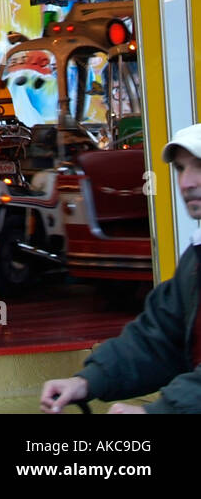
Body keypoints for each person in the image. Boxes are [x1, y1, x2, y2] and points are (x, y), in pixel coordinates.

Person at [40, 125, 201, 414]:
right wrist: (88, 381)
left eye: (199, 166)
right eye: (180, 169)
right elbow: (160, 337)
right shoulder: (195, 257)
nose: (187, 182)